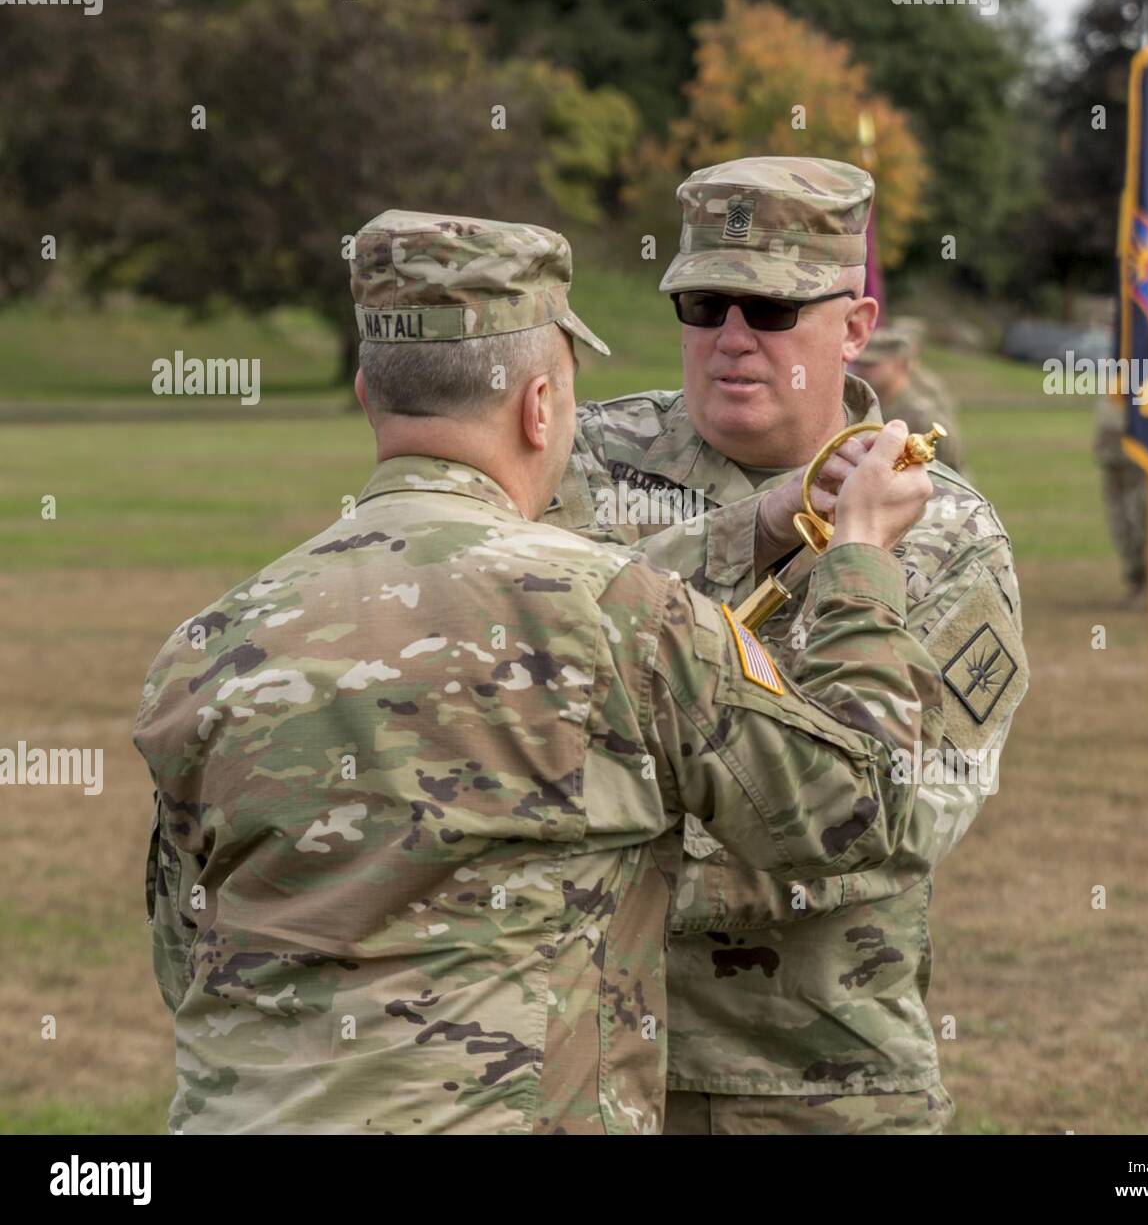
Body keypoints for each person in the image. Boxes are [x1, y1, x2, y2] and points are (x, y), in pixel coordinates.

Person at [131, 210, 946, 1135]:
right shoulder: (618, 615)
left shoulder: (207, 644)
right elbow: (852, 809)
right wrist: (863, 557)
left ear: (369, 395)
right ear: (539, 407)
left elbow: (183, 949)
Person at [545, 157, 1028, 1134]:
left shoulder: (942, 531)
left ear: (853, 324)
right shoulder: (579, 459)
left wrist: (627, 820)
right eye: (702, 304)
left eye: (766, 310)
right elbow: (501, 657)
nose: (728, 341)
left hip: (811, 1074)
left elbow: (898, 818)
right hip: (574, 1056)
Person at [853, 316, 965, 474]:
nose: (861, 370)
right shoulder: (861, 407)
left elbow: (951, 474)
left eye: (871, 364)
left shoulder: (924, 415)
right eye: (859, 363)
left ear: (900, 364)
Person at [1093, 394, 1148, 598]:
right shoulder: (1115, 368)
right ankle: (1135, 578)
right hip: (1110, 454)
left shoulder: (1145, 366)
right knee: (1119, 521)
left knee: (1140, 519)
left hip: (1138, 455)